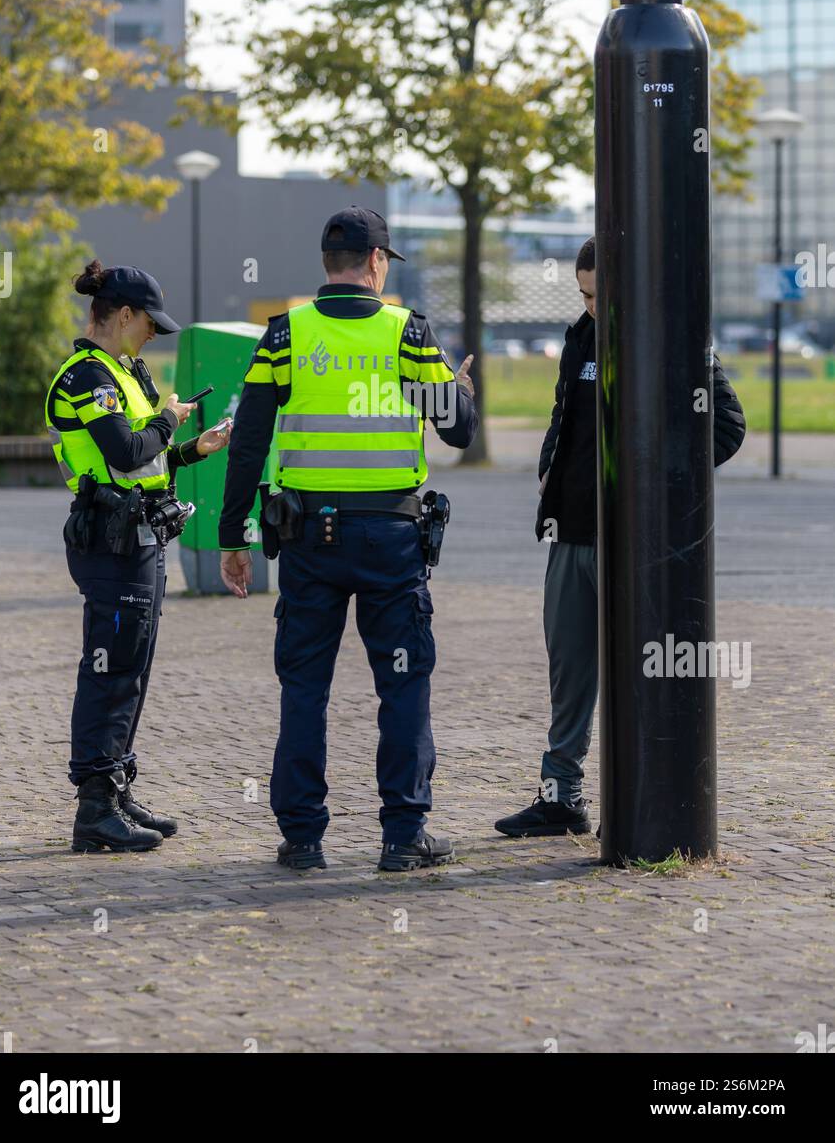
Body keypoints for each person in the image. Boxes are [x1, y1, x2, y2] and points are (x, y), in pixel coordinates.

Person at [218, 206, 478, 871]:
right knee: (402, 683)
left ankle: (303, 838)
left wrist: (233, 535)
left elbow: (248, 440)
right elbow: (458, 432)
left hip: (308, 538)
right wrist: (462, 389)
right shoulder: (407, 333)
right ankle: (402, 836)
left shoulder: (286, 334)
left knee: (305, 686)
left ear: (328, 263)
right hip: (391, 538)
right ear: (376, 262)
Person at [495, 236, 747, 839]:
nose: (589, 307)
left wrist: (657, 493)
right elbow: (563, 414)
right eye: (582, 294)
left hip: (634, 545)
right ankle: (561, 798)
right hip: (570, 535)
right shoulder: (578, 336)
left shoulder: (674, 338)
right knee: (570, 671)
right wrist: (547, 466)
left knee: (644, 673)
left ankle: (646, 804)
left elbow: (728, 429)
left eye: (598, 295)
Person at [45, 261, 231, 853]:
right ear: (122, 315)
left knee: (133, 667)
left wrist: (192, 449)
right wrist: (168, 419)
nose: (155, 334)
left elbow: (149, 465)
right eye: (150, 323)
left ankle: (117, 785)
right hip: (109, 543)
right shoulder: (85, 378)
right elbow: (124, 453)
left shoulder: (125, 372)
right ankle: (94, 807)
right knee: (109, 669)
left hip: (141, 538)